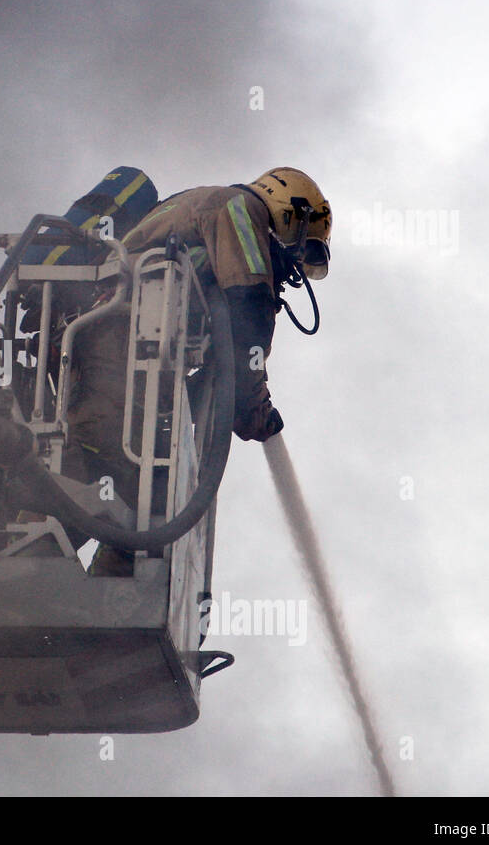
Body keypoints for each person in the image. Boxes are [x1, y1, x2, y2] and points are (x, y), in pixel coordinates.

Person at [62, 168, 332, 574]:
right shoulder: (239, 209)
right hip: (115, 350)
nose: (296, 266)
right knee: (109, 472)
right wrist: (255, 406)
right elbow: (248, 311)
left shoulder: (206, 206)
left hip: (126, 356)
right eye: (302, 247)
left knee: (148, 495)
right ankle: (36, 562)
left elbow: (228, 339)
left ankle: (96, 595)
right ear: (290, 212)